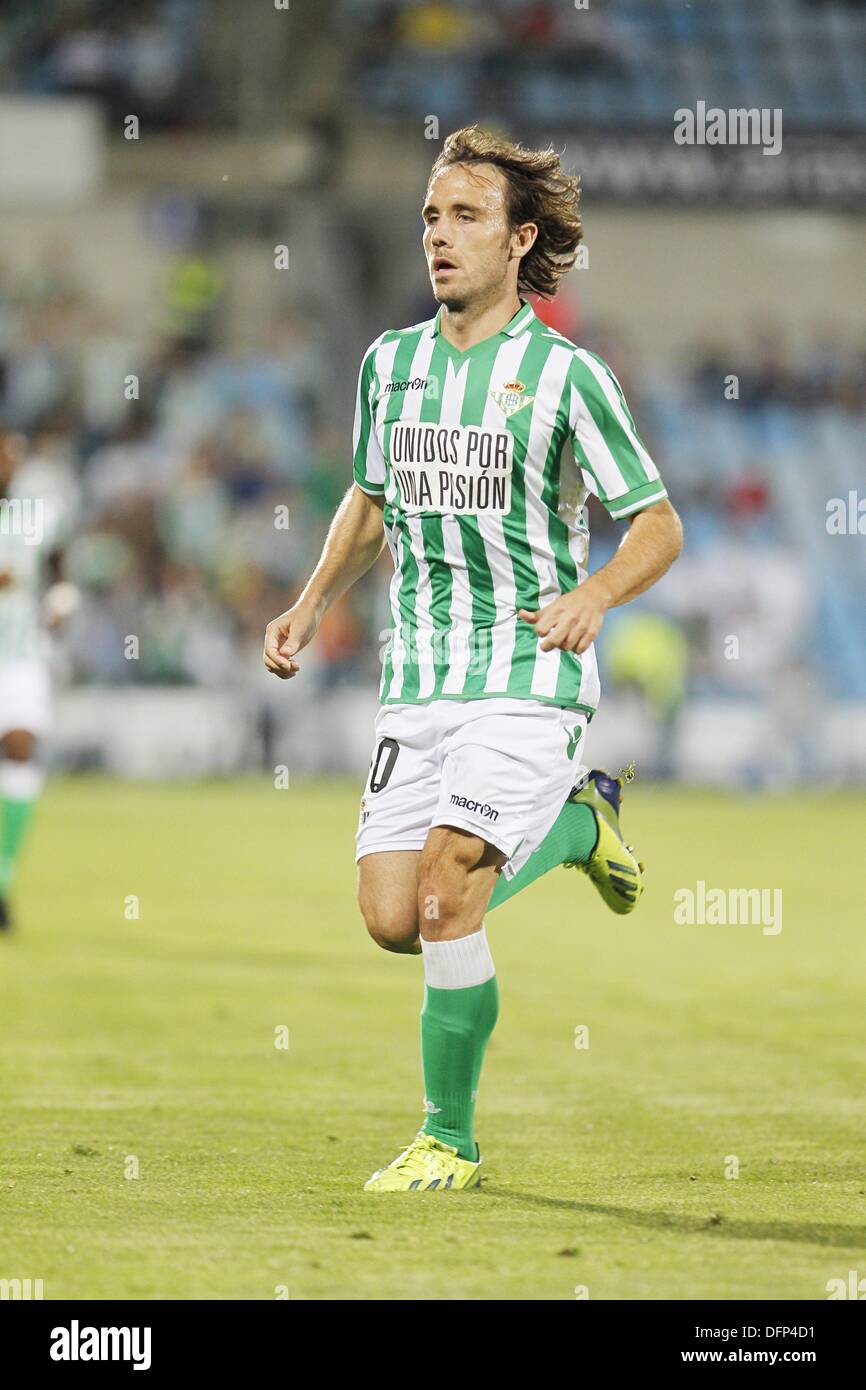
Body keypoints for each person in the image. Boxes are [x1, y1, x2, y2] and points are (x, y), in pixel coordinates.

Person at [264, 127, 683, 1190]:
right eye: (428, 218)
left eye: (462, 218)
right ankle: (582, 823)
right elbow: (369, 498)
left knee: (452, 889)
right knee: (393, 918)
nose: (437, 238)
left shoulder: (565, 377)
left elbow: (655, 523)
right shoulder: (388, 365)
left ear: (519, 239)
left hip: (528, 674)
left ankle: (445, 1139)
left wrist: (592, 594)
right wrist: (312, 601)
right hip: (420, 679)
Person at [0, 427, 78, 929]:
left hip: (20, 656)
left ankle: (3, 880)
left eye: (12, 457)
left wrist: (60, 602)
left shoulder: (32, 516)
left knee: (21, 748)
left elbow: (57, 571)